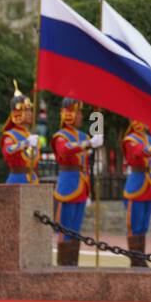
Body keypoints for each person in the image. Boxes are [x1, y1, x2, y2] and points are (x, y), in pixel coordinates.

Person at [51, 98, 103, 266]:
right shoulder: (60, 136)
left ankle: (73, 262)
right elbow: (65, 150)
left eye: (80, 112)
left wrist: (98, 121)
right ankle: (64, 263)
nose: (80, 116)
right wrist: (88, 143)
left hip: (82, 184)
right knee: (66, 227)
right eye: (78, 112)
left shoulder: (82, 135)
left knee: (76, 228)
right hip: (68, 183)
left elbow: (87, 159)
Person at [121, 120, 151, 267]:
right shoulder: (130, 140)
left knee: (144, 225)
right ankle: (135, 259)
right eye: (134, 119)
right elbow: (140, 151)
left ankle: (141, 258)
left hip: (148, 185)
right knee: (135, 225)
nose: (138, 123)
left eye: (141, 119)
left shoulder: (150, 139)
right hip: (136, 185)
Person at [0, 81, 40, 183]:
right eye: (26, 110)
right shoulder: (10, 135)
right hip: (17, 180)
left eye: (30, 110)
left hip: (33, 179)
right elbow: (8, 151)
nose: (30, 113)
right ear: (16, 113)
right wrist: (25, 143)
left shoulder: (31, 135)